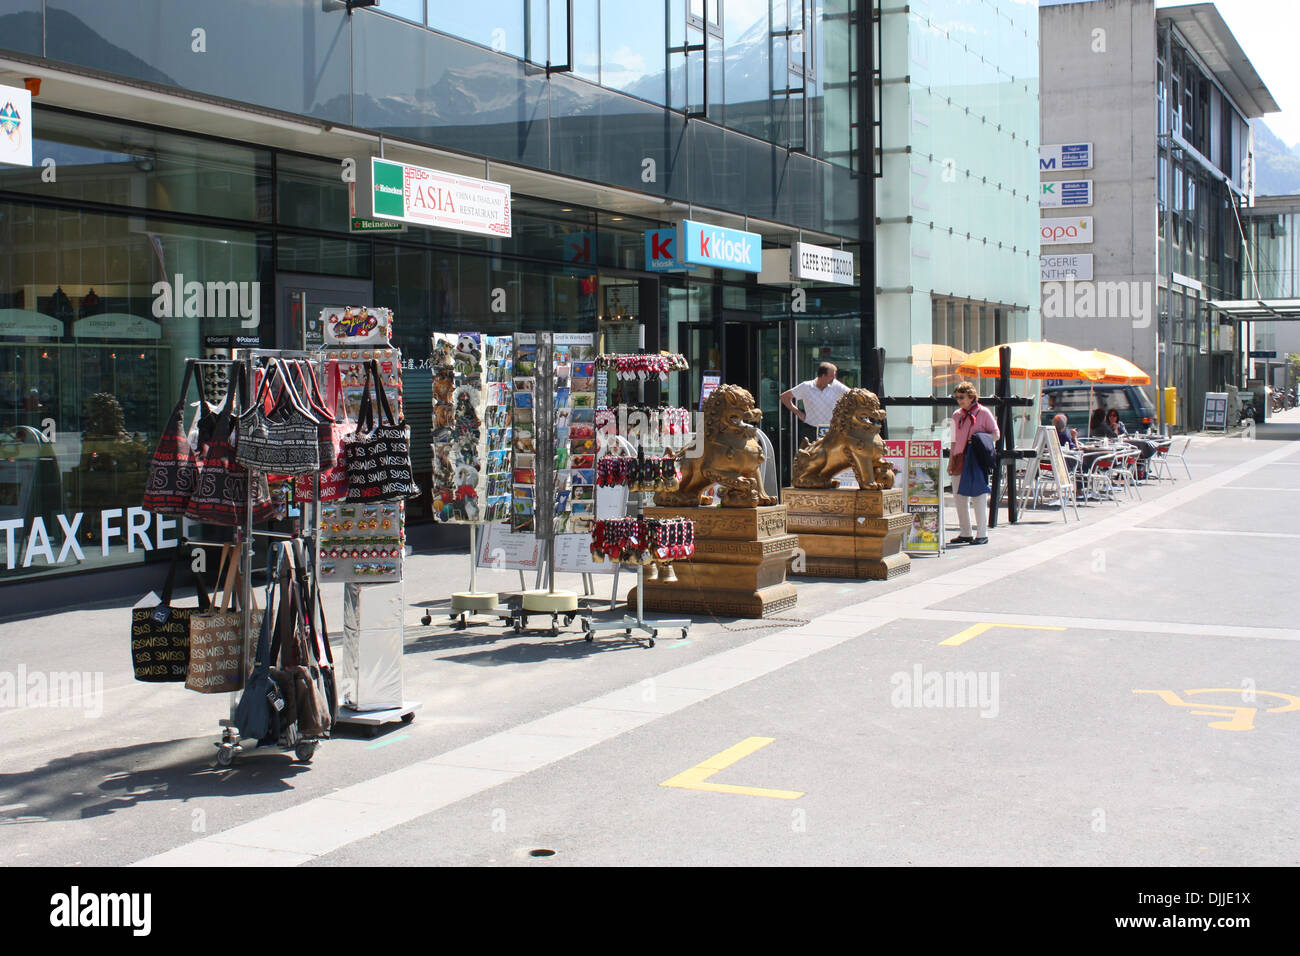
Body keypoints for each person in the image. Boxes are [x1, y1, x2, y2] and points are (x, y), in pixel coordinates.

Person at [948, 381, 999, 546]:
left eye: (962, 397)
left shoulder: (983, 412)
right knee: (959, 497)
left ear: (971, 396)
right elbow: (954, 440)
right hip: (960, 457)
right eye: (957, 397)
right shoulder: (957, 415)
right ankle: (965, 533)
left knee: (979, 496)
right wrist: (951, 461)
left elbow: (996, 434)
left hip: (976, 458)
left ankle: (982, 533)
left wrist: (979, 439)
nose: (959, 400)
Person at [781, 362, 849, 443]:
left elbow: (853, 395)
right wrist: (798, 413)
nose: (834, 378)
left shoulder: (836, 385)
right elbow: (784, 397)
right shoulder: (806, 386)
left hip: (832, 430)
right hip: (811, 430)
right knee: (809, 455)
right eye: (831, 375)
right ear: (823, 376)